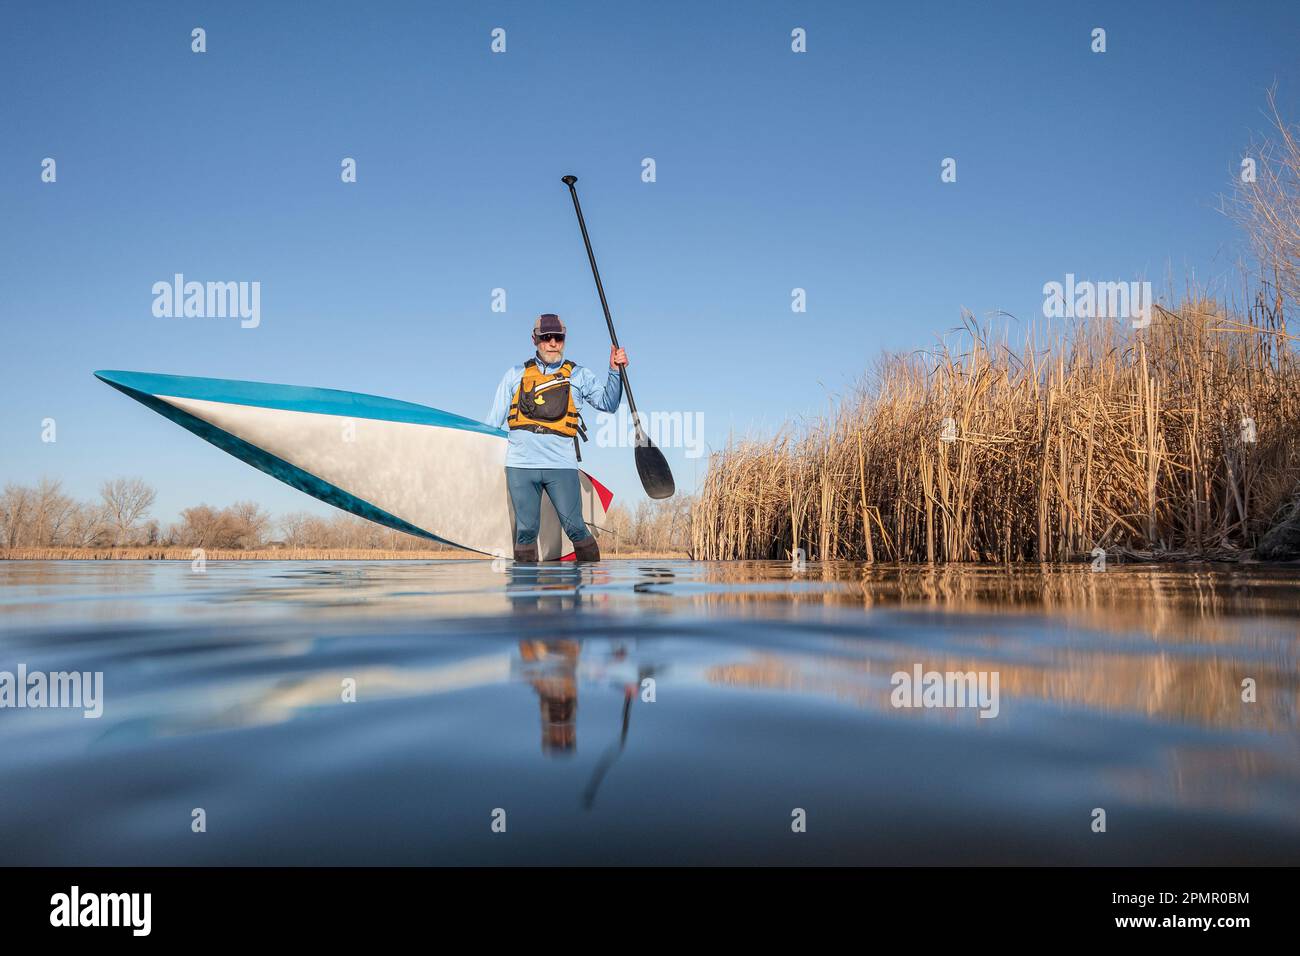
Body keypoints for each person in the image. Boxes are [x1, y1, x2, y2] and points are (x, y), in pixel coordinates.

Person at [487, 313, 627, 562]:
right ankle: (524, 596)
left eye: (558, 338)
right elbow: (492, 424)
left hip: (560, 466)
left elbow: (609, 403)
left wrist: (614, 371)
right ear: (534, 339)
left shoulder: (579, 375)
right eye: (546, 337)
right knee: (526, 532)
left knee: (575, 528)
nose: (553, 343)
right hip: (521, 466)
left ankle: (588, 591)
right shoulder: (514, 375)